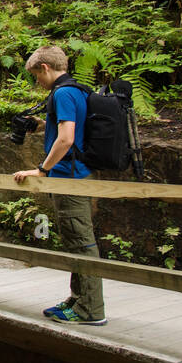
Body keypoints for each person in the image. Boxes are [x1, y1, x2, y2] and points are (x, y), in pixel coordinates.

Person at [13, 45, 107, 325]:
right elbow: (67, 128)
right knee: (76, 239)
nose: (37, 83)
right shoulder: (77, 89)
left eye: (36, 76)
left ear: (44, 68)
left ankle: (90, 309)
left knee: (80, 240)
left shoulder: (63, 92)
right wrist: (39, 125)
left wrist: (42, 170)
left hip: (70, 177)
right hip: (78, 174)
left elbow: (66, 139)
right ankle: (78, 300)